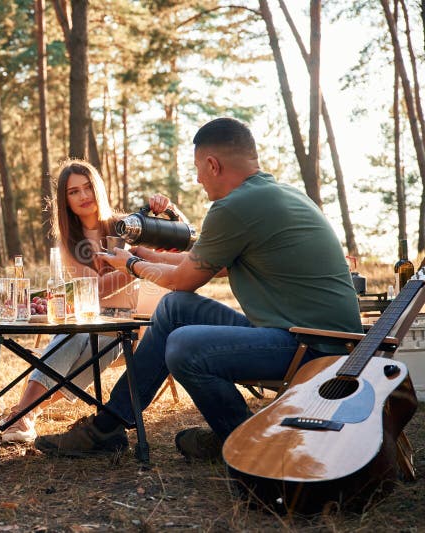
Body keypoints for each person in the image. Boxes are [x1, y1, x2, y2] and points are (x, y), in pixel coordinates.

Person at [34, 117, 363, 460]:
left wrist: (130, 265)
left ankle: (242, 438)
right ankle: (110, 425)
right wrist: (144, 254)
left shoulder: (234, 207)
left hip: (311, 347)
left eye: (197, 169)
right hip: (311, 336)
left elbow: (184, 279)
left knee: (184, 345)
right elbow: (208, 263)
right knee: (175, 309)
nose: (197, 179)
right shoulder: (274, 195)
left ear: (212, 164)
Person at [0, 159, 145, 444]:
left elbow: (165, 243)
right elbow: (92, 292)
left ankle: (22, 413)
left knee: (86, 339)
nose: (84, 196)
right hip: (90, 317)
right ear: (65, 201)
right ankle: (25, 416)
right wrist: (134, 265)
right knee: (76, 335)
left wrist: (133, 264)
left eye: (88, 187)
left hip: (125, 324)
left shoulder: (124, 225)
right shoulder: (68, 242)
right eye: (74, 192)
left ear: (98, 188)